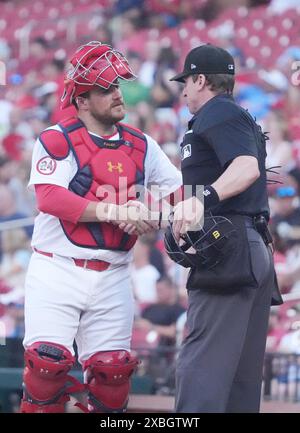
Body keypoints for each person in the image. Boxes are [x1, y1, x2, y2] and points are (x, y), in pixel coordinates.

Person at [20, 41, 182, 413]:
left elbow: (179, 196)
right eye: (105, 88)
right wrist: (116, 211)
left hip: (113, 275)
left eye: (117, 86)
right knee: (46, 368)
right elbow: (50, 199)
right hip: (57, 267)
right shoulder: (55, 138)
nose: (116, 94)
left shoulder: (142, 145)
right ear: (81, 99)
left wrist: (177, 214)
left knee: (113, 377)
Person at [169, 44, 283, 413]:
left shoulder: (217, 112)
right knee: (238, 378)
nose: (183, 90)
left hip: (228, 248)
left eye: (186, 81)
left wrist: (203, 199)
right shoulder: (234, 115)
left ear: (201, 79)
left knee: (202, 368)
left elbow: (247, 167)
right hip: (247, 245)